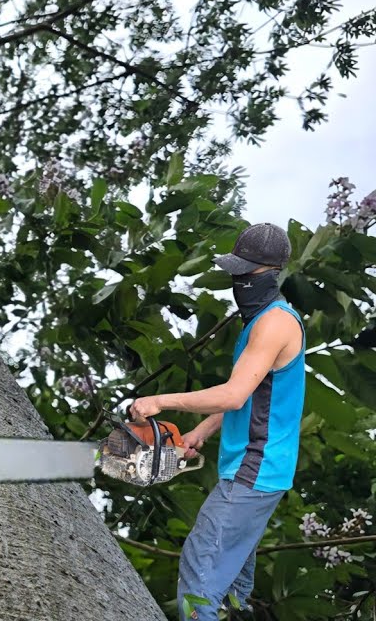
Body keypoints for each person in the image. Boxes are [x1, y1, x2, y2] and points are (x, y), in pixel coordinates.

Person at [129, 223, 304, 620]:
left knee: (201, 567)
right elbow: (252, 395)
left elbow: (233, 394)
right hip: (257, 470)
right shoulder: (260, 323)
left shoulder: (275, 323)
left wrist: (159, 400)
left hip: (254, 468)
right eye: (236, 271)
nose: (238, 280)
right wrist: (201, 431)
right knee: (233, 588)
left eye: (247, 272)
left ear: (272, 272)